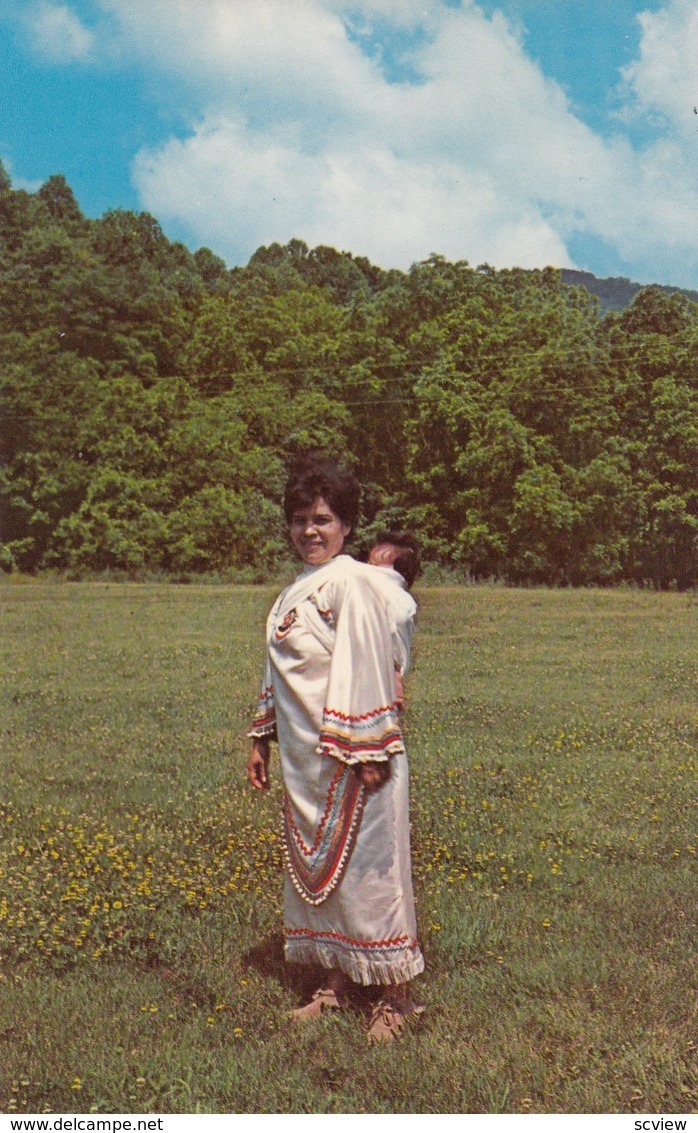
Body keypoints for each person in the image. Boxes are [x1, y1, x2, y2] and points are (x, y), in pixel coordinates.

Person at [247, 456, 424, 1043]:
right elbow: (280, 670)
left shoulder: (353, 584)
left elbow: (367, 663)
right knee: (326, 883)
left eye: (322, 519)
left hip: (358, 754)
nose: (310, 531)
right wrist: (262, 737)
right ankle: (337, 984)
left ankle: (394, 999)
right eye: (299, 519)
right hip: (306, 760)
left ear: (346, 525)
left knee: (372, 876)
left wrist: (367, 748)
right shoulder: (294, 591)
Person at [365, 532, 421, 711]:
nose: (367, 568)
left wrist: (394, 676)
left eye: (375, 565)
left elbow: (395, 628)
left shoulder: (398, 600)